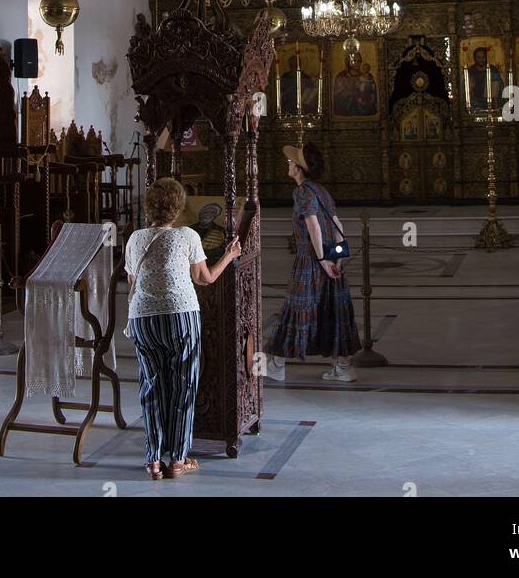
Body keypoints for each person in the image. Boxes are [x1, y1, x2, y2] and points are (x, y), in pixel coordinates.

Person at [125, 177, 241, 480]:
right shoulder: (187, 236)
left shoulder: (135, 238)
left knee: (151, 386)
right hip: (180, 316)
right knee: (183, 387)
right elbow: (205, 278)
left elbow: (132, 281)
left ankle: (153, 460)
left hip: (143, 318)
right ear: (179, 208)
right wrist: (230, 255)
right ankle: (178, 460)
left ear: (149, 206)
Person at [265, 142, 360, 383]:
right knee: (332, 309)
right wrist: (336, 257)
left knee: (297, 308)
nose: (288, 164)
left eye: (291, 162)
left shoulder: (302, 192)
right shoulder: (321, 190)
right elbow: (338, 224)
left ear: (299, 169)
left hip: (311, 259)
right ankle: (343, 366)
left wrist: (321, 259)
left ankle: (276, 364)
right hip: (330, 255)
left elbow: (313, 226)